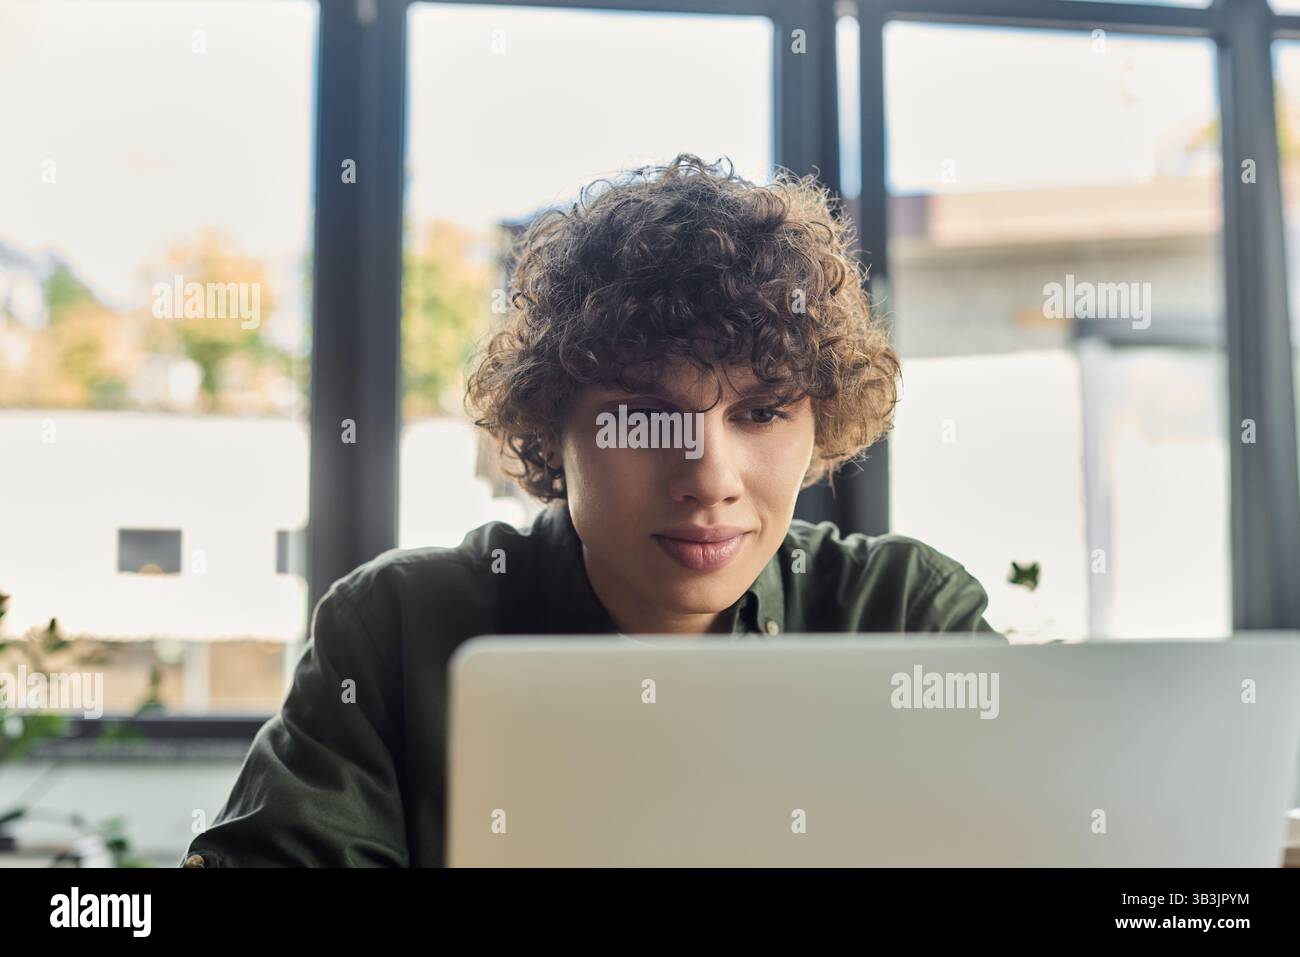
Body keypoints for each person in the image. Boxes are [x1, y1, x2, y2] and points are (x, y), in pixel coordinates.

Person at [180, 154, 999, 868]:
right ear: (551, 422)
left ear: (819, 418)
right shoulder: (395, 629)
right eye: (647, 417)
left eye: (760, 414)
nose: (710, 477)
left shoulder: (905, 616)